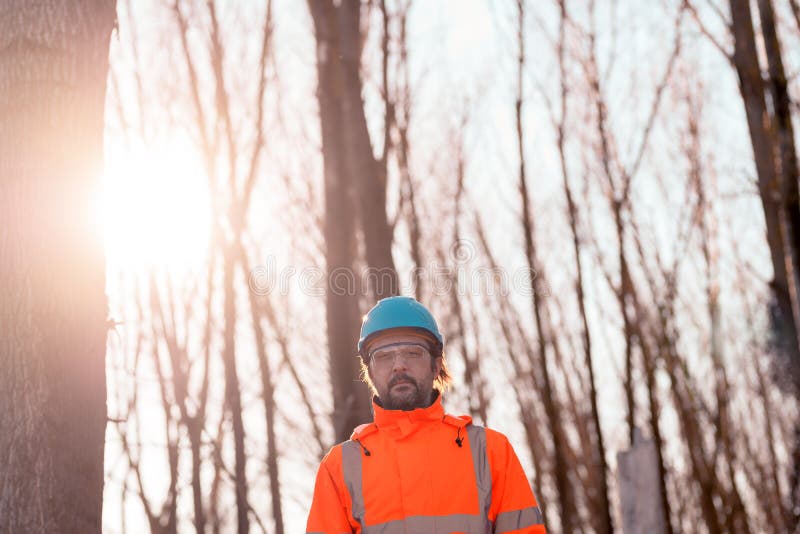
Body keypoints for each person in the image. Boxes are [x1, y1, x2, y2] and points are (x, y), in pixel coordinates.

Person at [306, 296, 546, 533]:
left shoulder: (490, 453)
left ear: (436, 364)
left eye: (412, 353)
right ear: (369, 372)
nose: (399, 365)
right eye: (384, 356)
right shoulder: (339, 468)